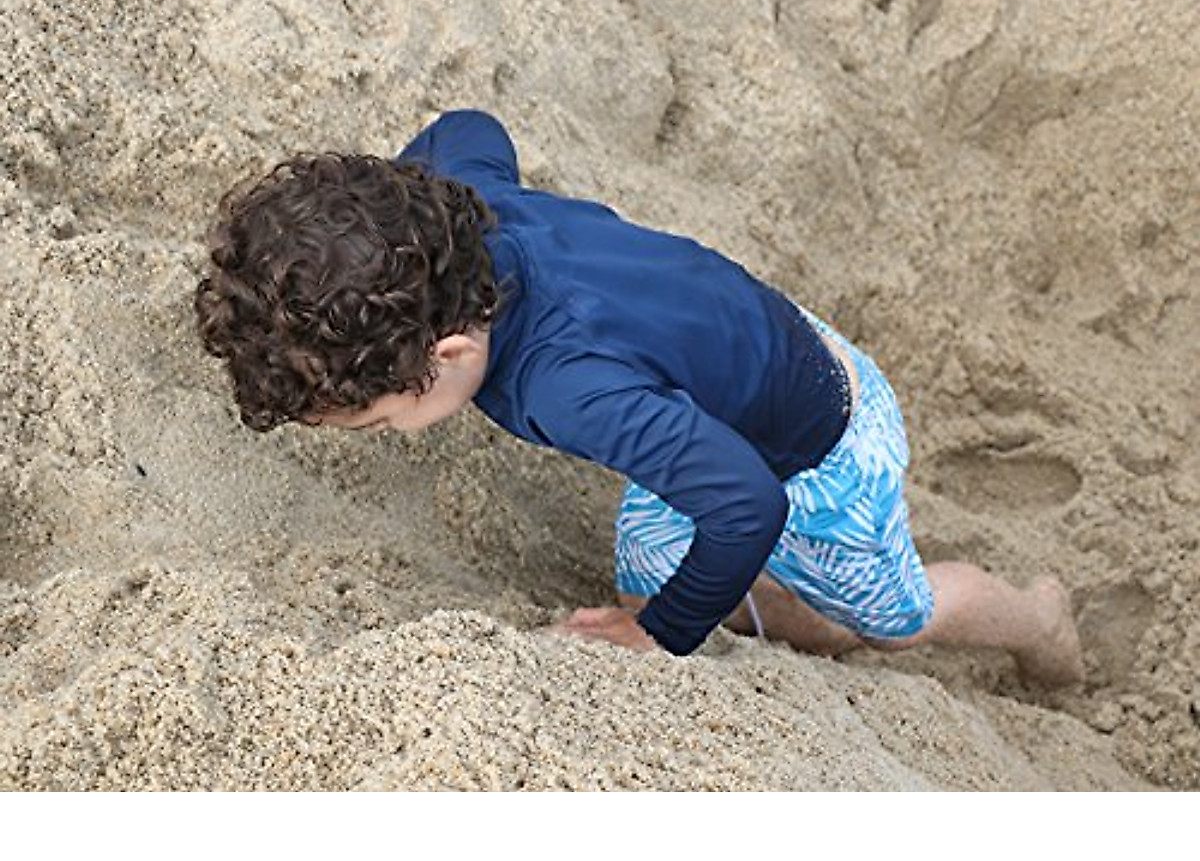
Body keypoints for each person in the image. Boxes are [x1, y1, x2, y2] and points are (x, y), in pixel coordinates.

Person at [194, 109, 1084, 685]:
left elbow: (750, 503)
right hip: (749, 357)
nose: (392, 433)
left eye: (385, 419)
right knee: (646, 570)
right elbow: (467, 124)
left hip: (821, 455)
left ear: (451, 351)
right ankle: (781, 607)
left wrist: (661, 635)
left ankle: (1036, 618)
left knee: (890, 619)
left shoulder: (570, 388)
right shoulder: (464, 203)